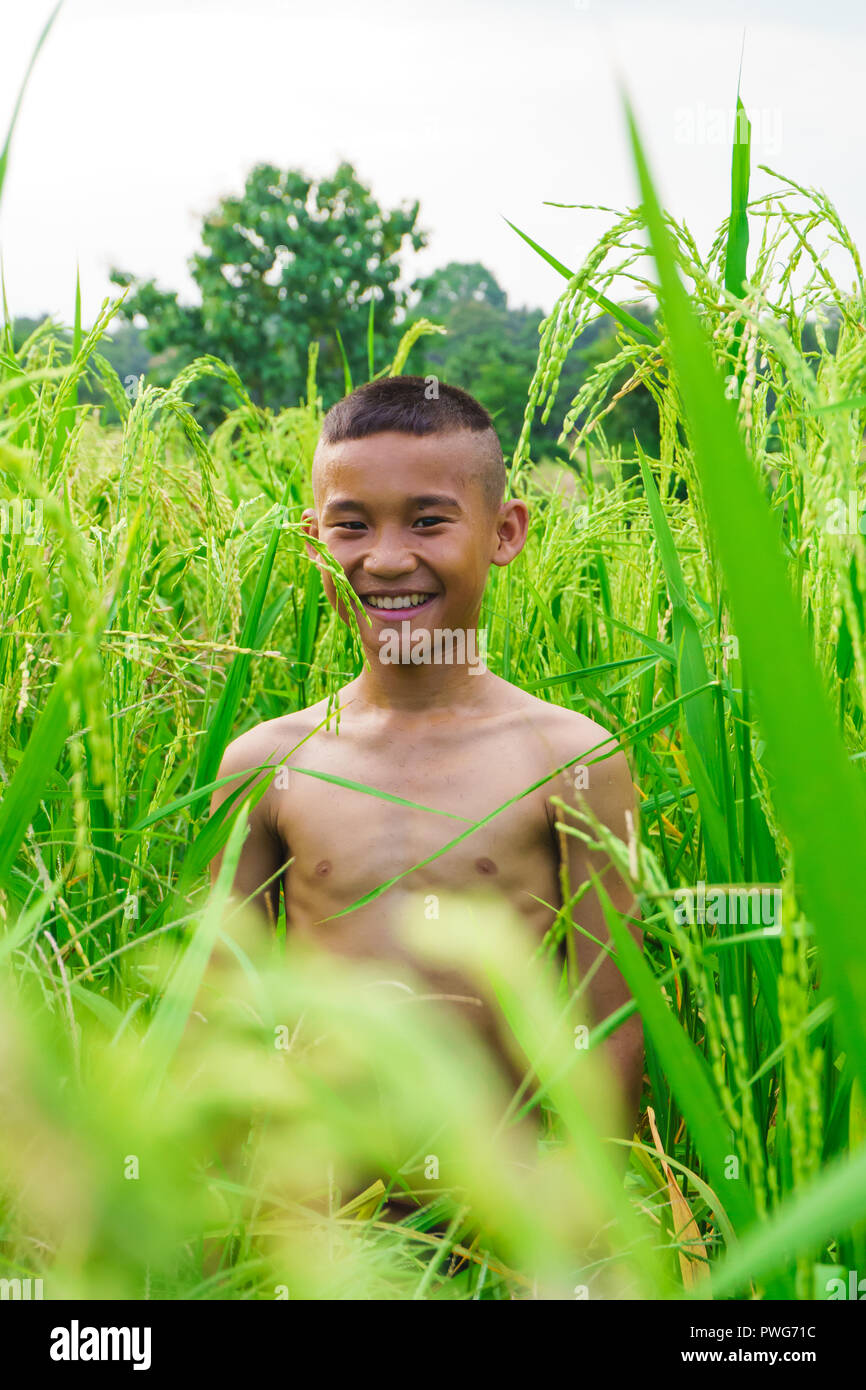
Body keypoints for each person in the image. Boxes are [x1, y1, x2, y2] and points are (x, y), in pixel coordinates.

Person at [208, 373, 643, 1177]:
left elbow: (608, 1024)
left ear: (505, 532)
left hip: (498, 1224)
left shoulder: (569, 760)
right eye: (351, 526)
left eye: (429, 521)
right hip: (317, 1232)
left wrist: (577, 1233)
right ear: (314, 544)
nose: (385, 558)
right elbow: (216, 1020)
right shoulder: (269, 764)